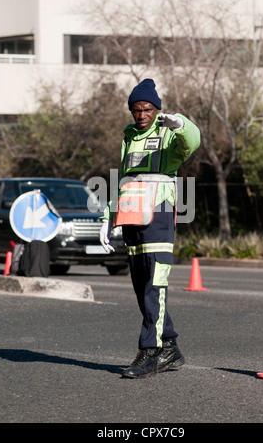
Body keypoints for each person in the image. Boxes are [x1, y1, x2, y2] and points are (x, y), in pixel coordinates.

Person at [100, 78, 201, 379]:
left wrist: (180, 124)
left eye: (146, 109)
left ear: (157, 109)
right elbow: (124, 181)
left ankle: (151, 352)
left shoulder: (168, 134)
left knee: (154, 286)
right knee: (142, 287)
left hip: (158, 216)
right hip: (132, 219)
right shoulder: (129, 137)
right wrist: (108, 216)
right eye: (136, 110)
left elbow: (192, 142)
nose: (141, 115)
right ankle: (169, 346)